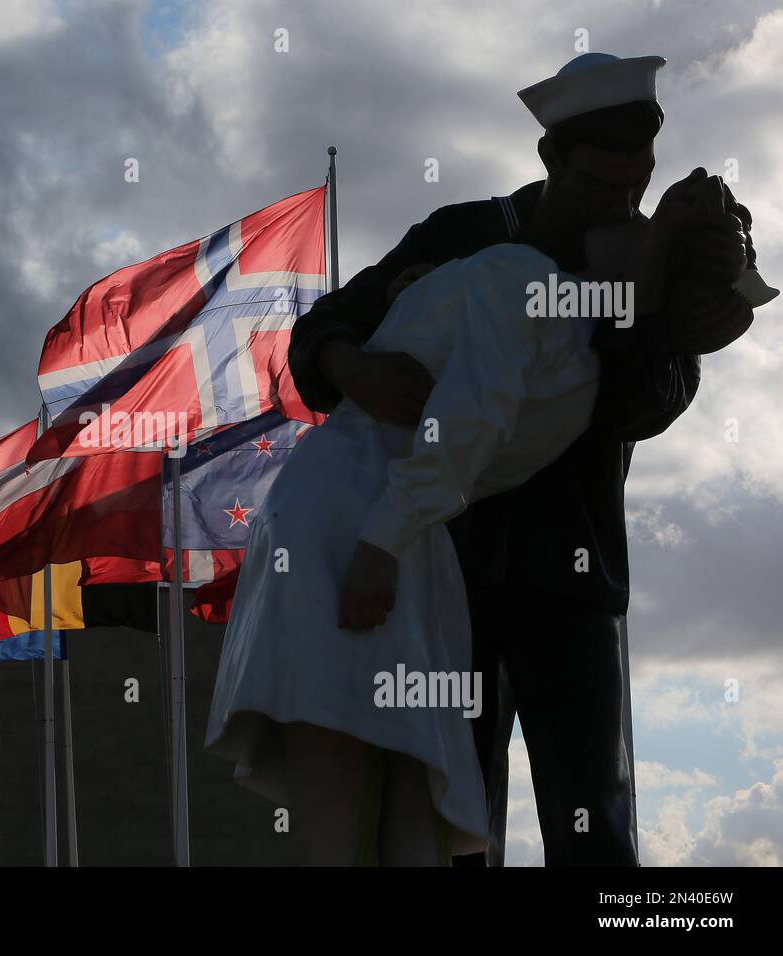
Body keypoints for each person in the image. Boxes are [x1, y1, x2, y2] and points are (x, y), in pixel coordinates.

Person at [209, 52, 764, 866]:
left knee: (593, 807)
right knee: (452, 807)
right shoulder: (465, 235)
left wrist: (649, 290)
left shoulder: (653, 261)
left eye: (634, 186)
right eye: (602, 186)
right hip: (438, 572)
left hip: (571, 577)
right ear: (551, 160)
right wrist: (354, 366)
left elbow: (649, 405)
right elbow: (322, 330)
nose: (621, 203)